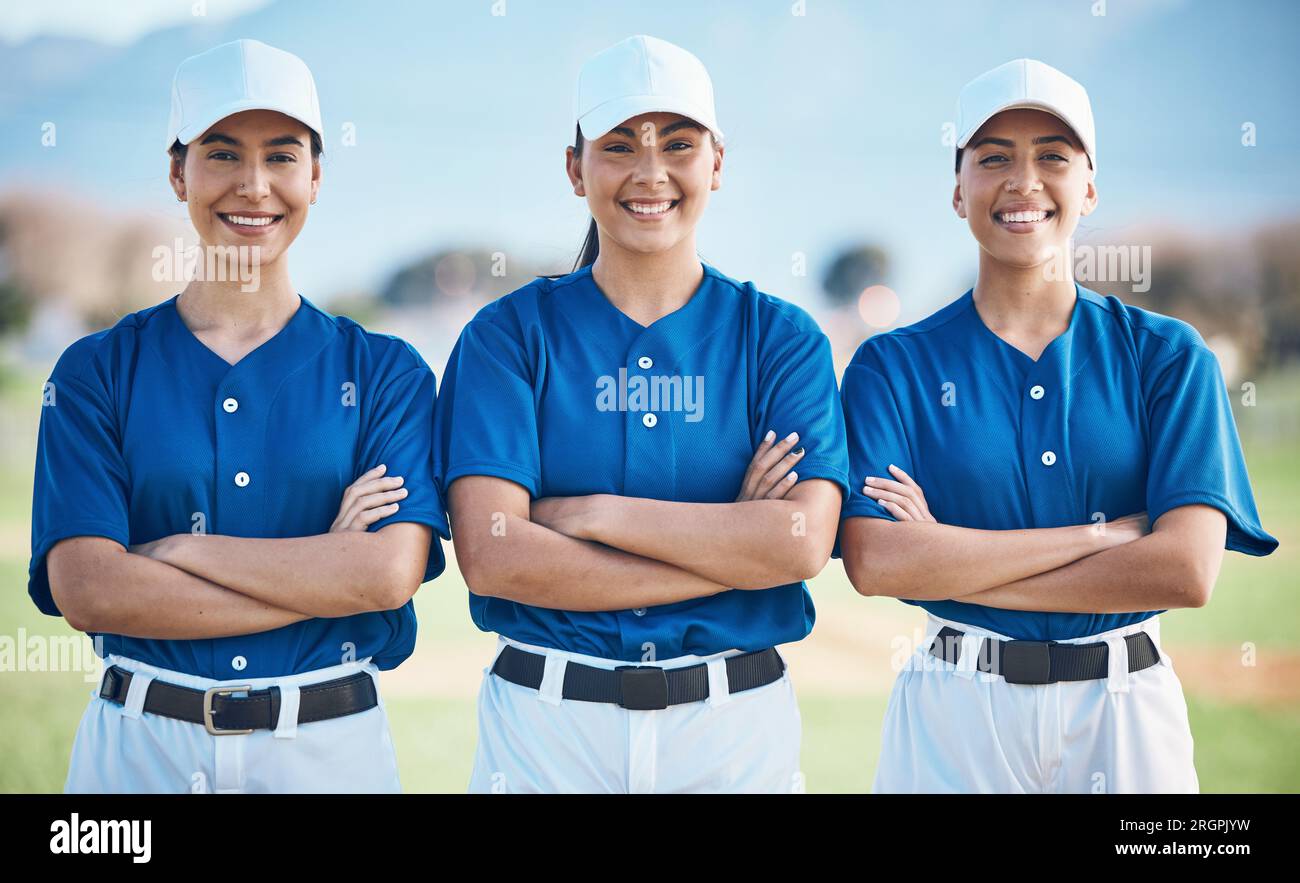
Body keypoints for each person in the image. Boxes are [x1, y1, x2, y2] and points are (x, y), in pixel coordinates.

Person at [838, 58, 1278, 793]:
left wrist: (951, 558)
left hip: (1126, 709)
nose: (1023, 182)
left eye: (1052, 157)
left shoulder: (1168, 356)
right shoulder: (893, 365)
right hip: (954, 712)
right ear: (958, 189)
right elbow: (879, 563)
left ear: (1090, 186)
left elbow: (1186, 569)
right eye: (993, 158)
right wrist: (1101, 536)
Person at [28, 38, 448, 793]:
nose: (254, 186)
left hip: (327, 754)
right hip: (138, 755)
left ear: (316, 176)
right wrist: (322, 562)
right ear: (177, 172)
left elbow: (383, 576)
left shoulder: (386, 374)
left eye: (282, 157)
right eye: (222, 155)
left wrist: (181, 556)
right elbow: (89, 591)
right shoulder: (93, 373)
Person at [434, 35, 848, 793]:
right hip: (546, 728)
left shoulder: (782, 339)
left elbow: (796, 545)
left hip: (732, 729)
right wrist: (727, 546)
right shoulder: (506, 338)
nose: (650, 172)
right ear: (575, 168)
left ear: (716, 162)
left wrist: (592, 514)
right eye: (619, 145)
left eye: (679, 144)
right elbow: (495, 556)